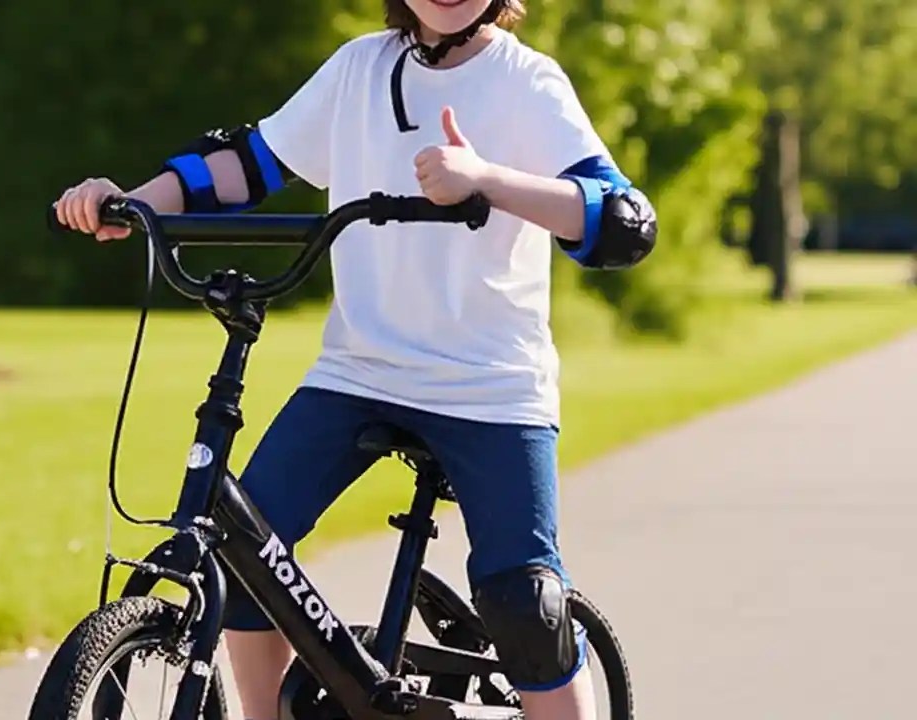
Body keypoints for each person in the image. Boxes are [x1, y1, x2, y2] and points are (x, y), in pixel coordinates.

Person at [54, 1, 657, 718]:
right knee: (243, 555)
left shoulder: (527, 83)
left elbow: (621, 222)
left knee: (524, 605)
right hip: (360, 373)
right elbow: (249, 163)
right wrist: (133, 201)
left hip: (490, 389)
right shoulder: (359, 69)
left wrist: (486, 178)